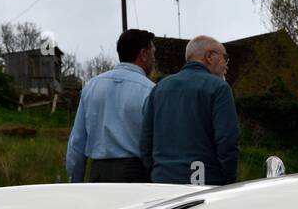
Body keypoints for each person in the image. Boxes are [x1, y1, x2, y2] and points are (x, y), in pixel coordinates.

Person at [139, 35, 240, 185]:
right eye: (225, 57)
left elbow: (145, 142)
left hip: (162, 180)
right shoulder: (219, 88)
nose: (227, 65)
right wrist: (229, 180)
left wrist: (156, 171)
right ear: (209, 56)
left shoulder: (159, 88)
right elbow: (227, 141)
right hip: (204, 181)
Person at [66, 29, 156, 183]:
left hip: (98, 175)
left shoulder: (91, 86)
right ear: (143, 54)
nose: (154, 59)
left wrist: (75, 183)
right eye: (153, 53)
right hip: (136, 176)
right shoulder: (150, 90)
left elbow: (77, 143)